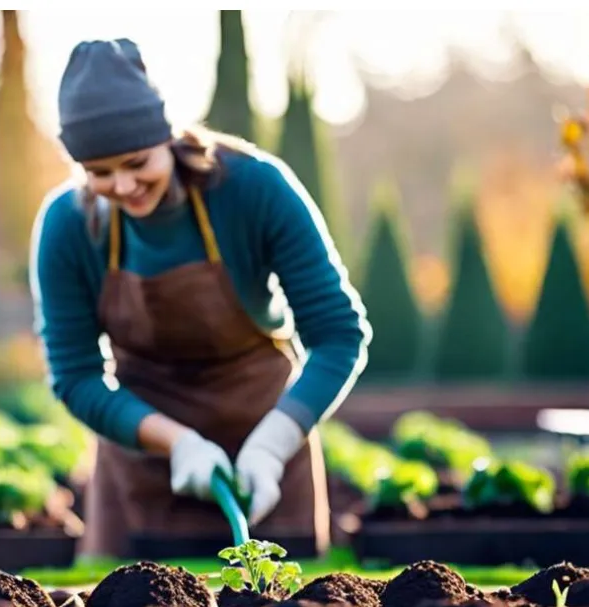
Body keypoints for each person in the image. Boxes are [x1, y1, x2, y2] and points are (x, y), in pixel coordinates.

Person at [29, 38, 372, 560]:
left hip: (267, 443)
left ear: (165, 134)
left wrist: (274, 444)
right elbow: (74, 376)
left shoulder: (256, 189)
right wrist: (177, 443)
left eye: (136, 161)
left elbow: (339, 336)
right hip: (144, 464)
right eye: (99, 172)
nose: (122, 185)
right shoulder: (68, 226)